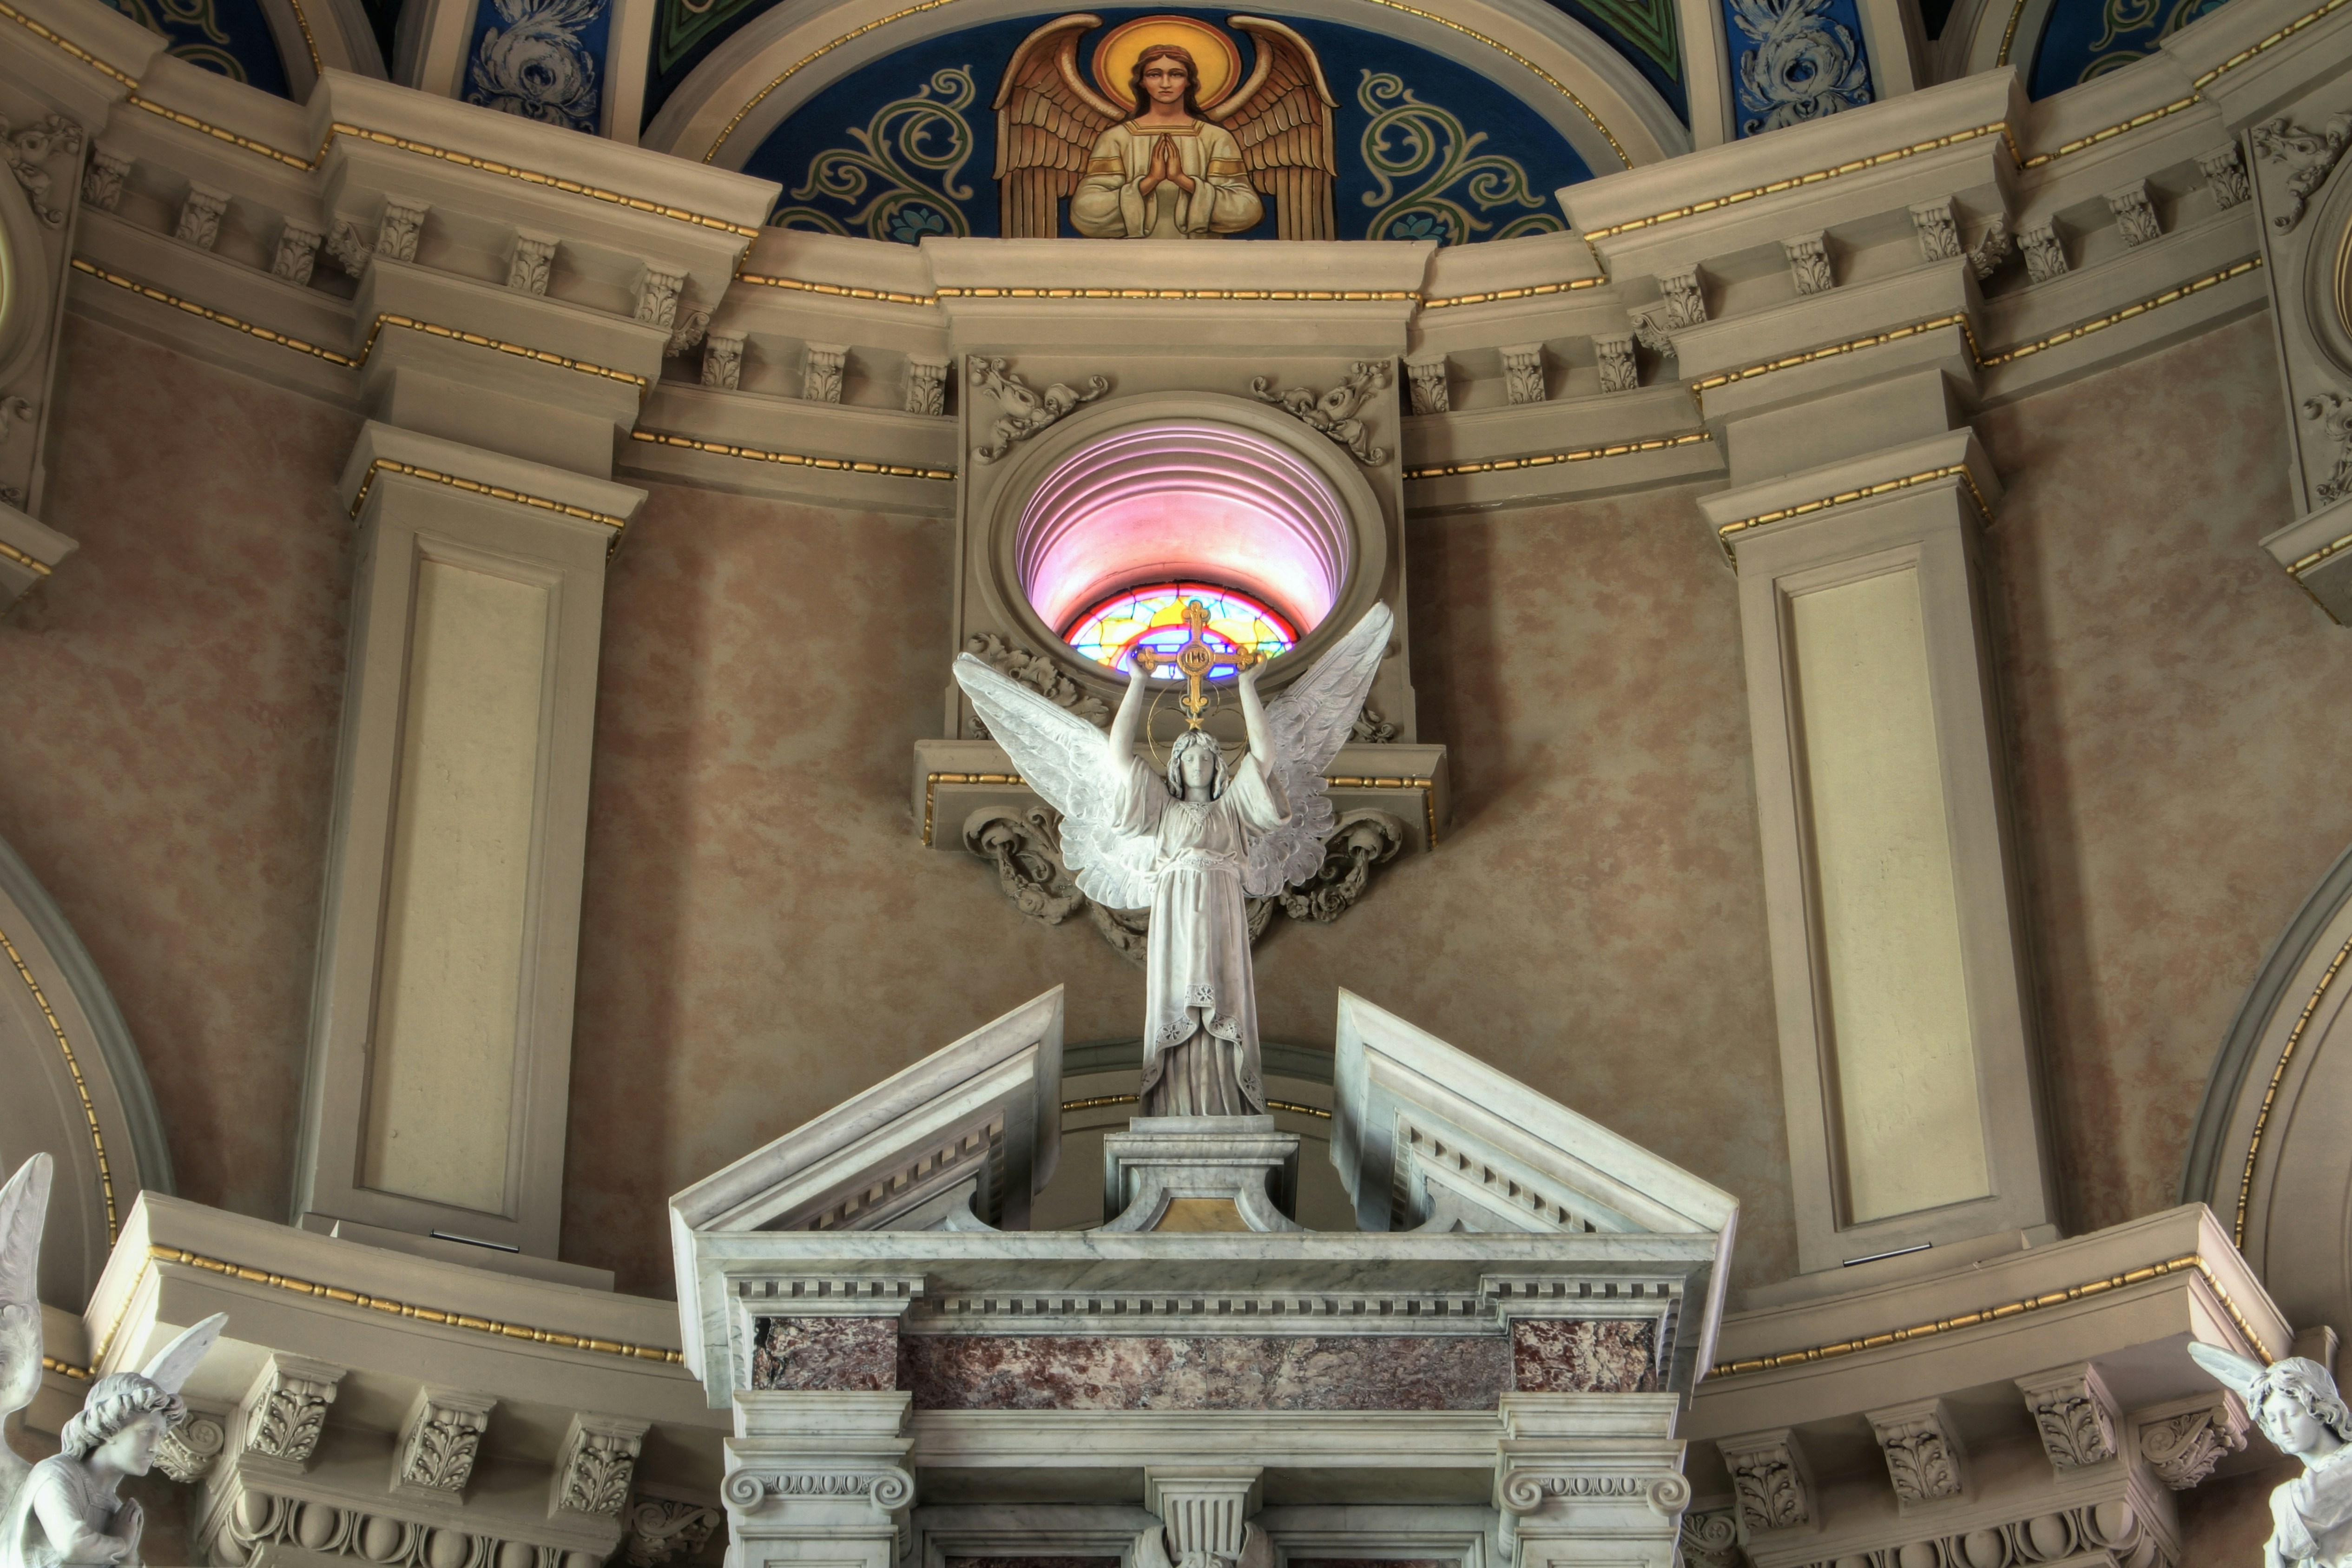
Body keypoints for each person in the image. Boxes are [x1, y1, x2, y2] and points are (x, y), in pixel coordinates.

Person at [1101, 654, 1287, 1115]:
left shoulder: (1231, 809)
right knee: (1177, 988)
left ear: (1219, 765)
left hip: (1221, 905)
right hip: (1175, 912)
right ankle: (1174, 1098)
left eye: (1207, 755)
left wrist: (1247, 684)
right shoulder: (1162, 809)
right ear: (1176, 766)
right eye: (1188, 756)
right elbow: (1120, 756)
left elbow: (1264, 755)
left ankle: (1227, 1093)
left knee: (1223, 990)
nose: (1199, 763)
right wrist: (1138, 682)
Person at [1069, 45, 1262, 240]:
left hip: (1203, 258)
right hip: (1131, 258)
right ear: (1142, 82)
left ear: (1189, 81)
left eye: (1176, 74)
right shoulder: (1116, 139)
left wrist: (1183, 180)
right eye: (1154, 75)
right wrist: (1150, 181)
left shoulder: (1216, 138)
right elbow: (1086, 212)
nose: (1165, 83)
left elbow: (1247, 211)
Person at [0, 1372, 177, 1568]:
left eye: (160, 1436)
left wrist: (129, 1558)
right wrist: (123, 1543)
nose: (155, 1447)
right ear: (110, 1428)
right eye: (146, 1432)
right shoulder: (56, 1473)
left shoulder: (119, 1511)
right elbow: (73, 1545)